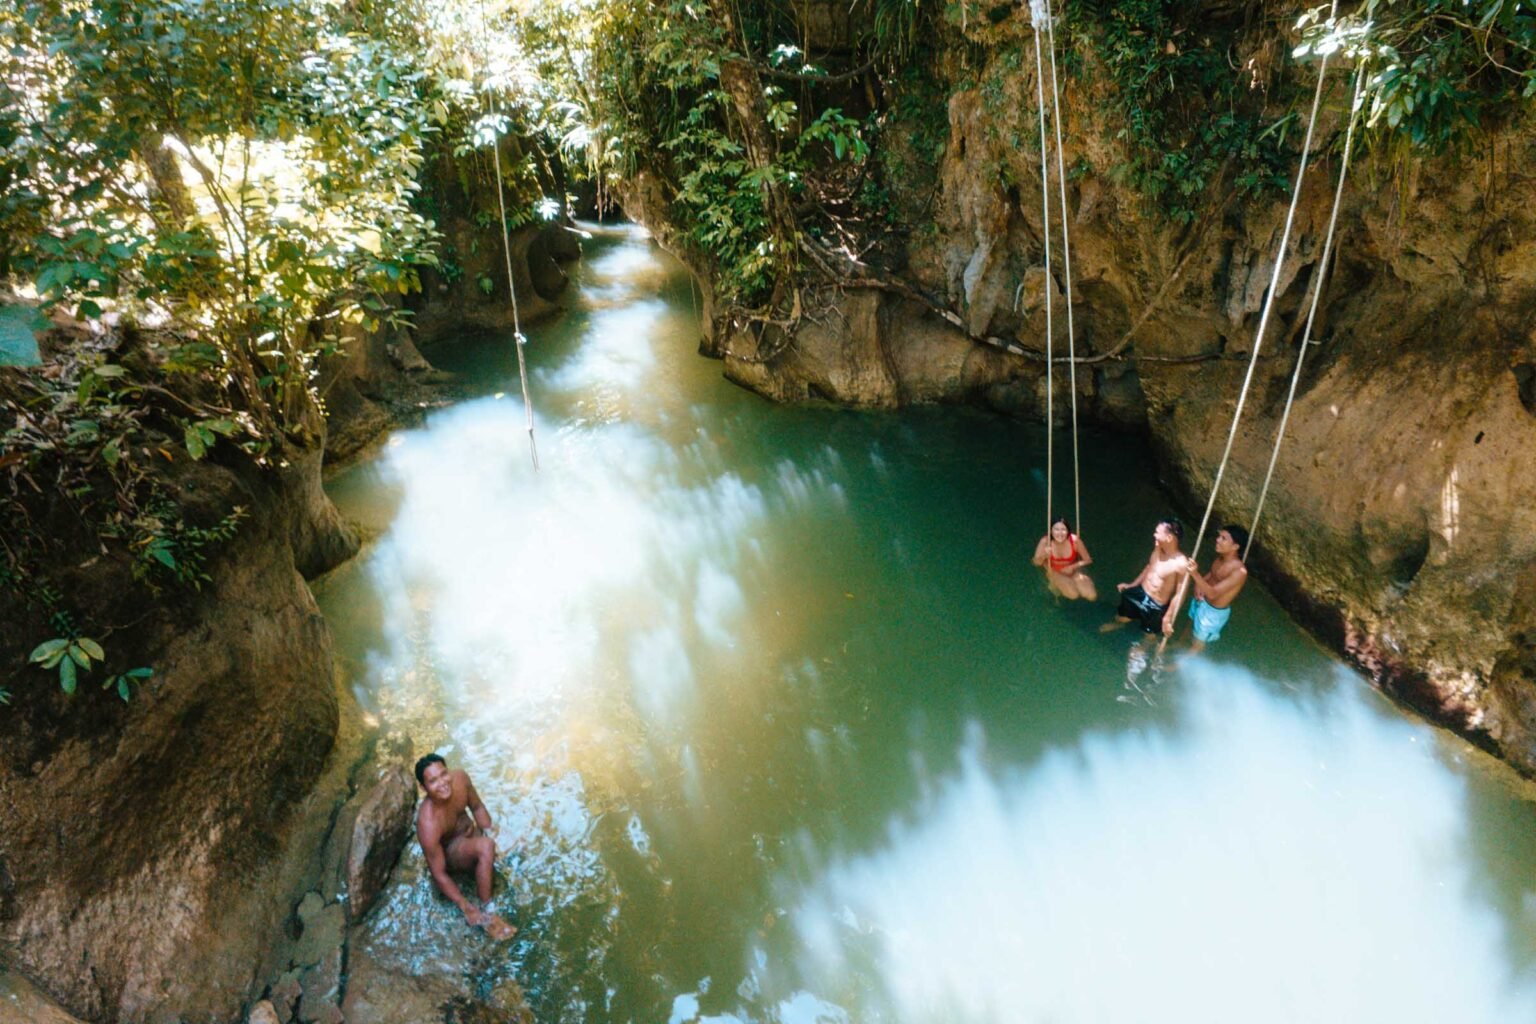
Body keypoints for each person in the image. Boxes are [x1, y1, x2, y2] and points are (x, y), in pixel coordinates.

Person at [414, 752, 516, 940]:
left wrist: (490, 832)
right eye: (433, 781)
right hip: (453, 852)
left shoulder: (460, 779)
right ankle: (489, 912)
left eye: (444, 774)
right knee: (486, 846)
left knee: (513, 843)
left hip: (472, 835)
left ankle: (487, 853)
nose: (443, 783)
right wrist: (466, 906)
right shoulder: (428, 823)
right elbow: (439, 873)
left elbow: (477, 807)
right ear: (424, 787)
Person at [1103, 518, 1184, 635]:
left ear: (1169, 538)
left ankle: (1145, 645)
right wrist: (1132, 585)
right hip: (1141, 592)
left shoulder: (1180, 564)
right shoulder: (1158, 547)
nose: (1154, 535)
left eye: (1157, 532)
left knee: (1149, 634)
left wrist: (1168, 618)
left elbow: (1180, 594)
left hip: (1156, 604)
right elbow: (1149, 567)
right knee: (1122, 616)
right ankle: (1119, 624)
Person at [1180, 524, 1250, 653]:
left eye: (1223, 538)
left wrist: (1195, 574)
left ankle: (1178, 666)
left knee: (1198, 642)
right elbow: (1212, 574)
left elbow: (1213, 594)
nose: (1218, 540)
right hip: (1202, 600)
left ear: (1235, 546)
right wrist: (1198, 584)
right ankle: (1179, 646)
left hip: (1212, 612)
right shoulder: (1221, 558)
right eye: (1219, 536)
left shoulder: (1239, 571)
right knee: (1190, 625)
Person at [1032, 517, 1097, 600]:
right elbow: (1036, 562)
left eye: (1063, 529)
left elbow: (1088, 560)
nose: (1060, 533)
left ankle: (1068, 583)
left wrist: (1072, 567)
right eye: (1056, 529)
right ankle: (1054, 586)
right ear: (1051, 531)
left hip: (1073, 571)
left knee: (1092, 596)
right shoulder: (1045, 541)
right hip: (1055, 572)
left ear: (1068, 531)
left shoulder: (1075, 540)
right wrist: (1044, 555)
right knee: (1073, 595)